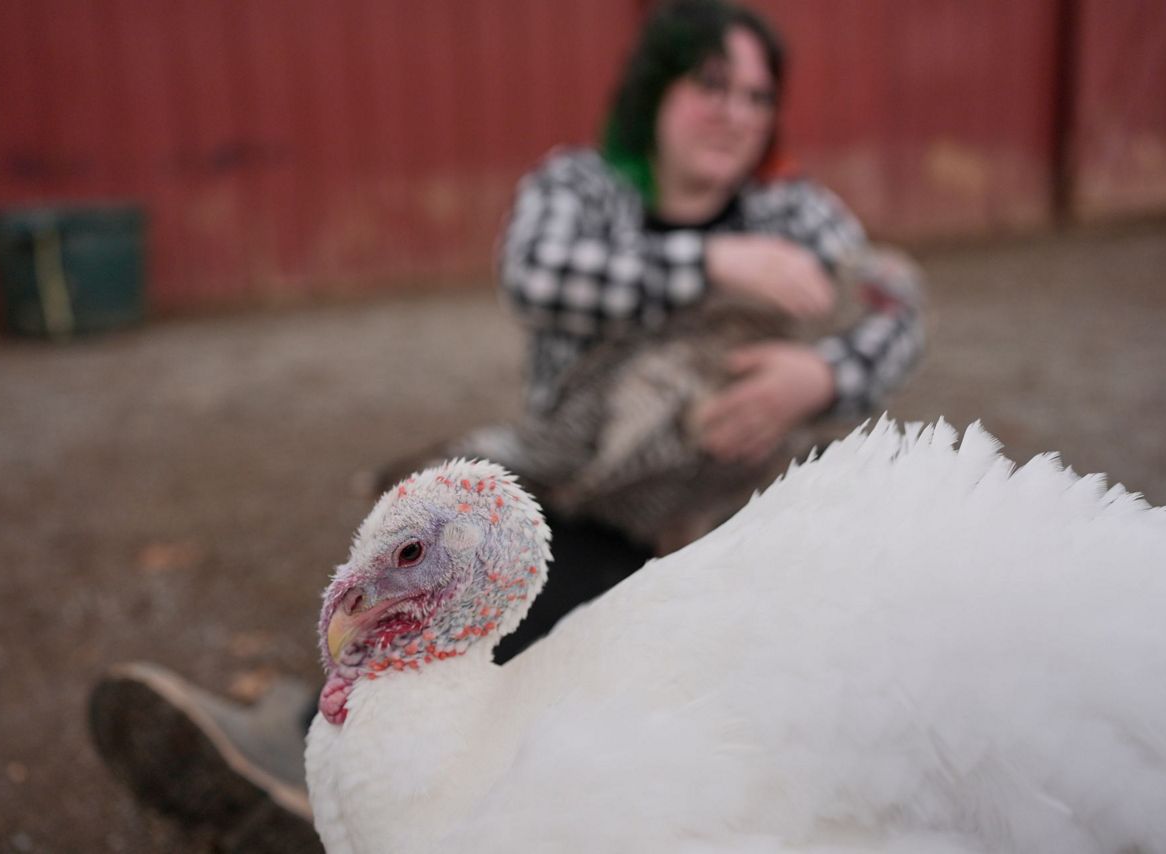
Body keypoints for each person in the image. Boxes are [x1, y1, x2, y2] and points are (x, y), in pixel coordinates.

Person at [89, 0, 924, 846]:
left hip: (730, 513)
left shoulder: (799, 212)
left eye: (755, 95)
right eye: (711, 86)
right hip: (581, 493)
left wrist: (820, 374)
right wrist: (710, 261)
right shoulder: (579, 186)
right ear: (655, 93)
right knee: (479, 588)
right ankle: (310, 744)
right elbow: (536, 272)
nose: (735, 112)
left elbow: (898, 312)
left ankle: (337, 770)